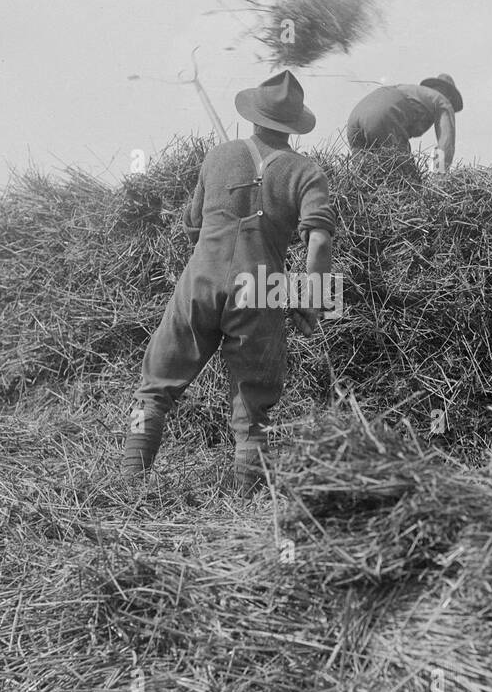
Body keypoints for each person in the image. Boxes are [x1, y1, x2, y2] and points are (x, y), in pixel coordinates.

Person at [123, 71, 336, 491]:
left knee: (153, 391)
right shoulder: (306, 172)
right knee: (253, 410)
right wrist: (309, 298)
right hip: (261, 291)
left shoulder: (217, 157)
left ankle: (128, 486)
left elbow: (193, 226)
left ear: (254, 117)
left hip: (199, 281)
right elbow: (320, 241)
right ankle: (244, 506)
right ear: (293, 125)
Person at [344, 74, 463, 176]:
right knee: (405, 177)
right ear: (450, 96)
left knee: (363, 175)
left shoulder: (414, 91)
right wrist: (439, 176)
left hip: (355, 118)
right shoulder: (443, 101)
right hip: (385, 116)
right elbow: (445, 144)